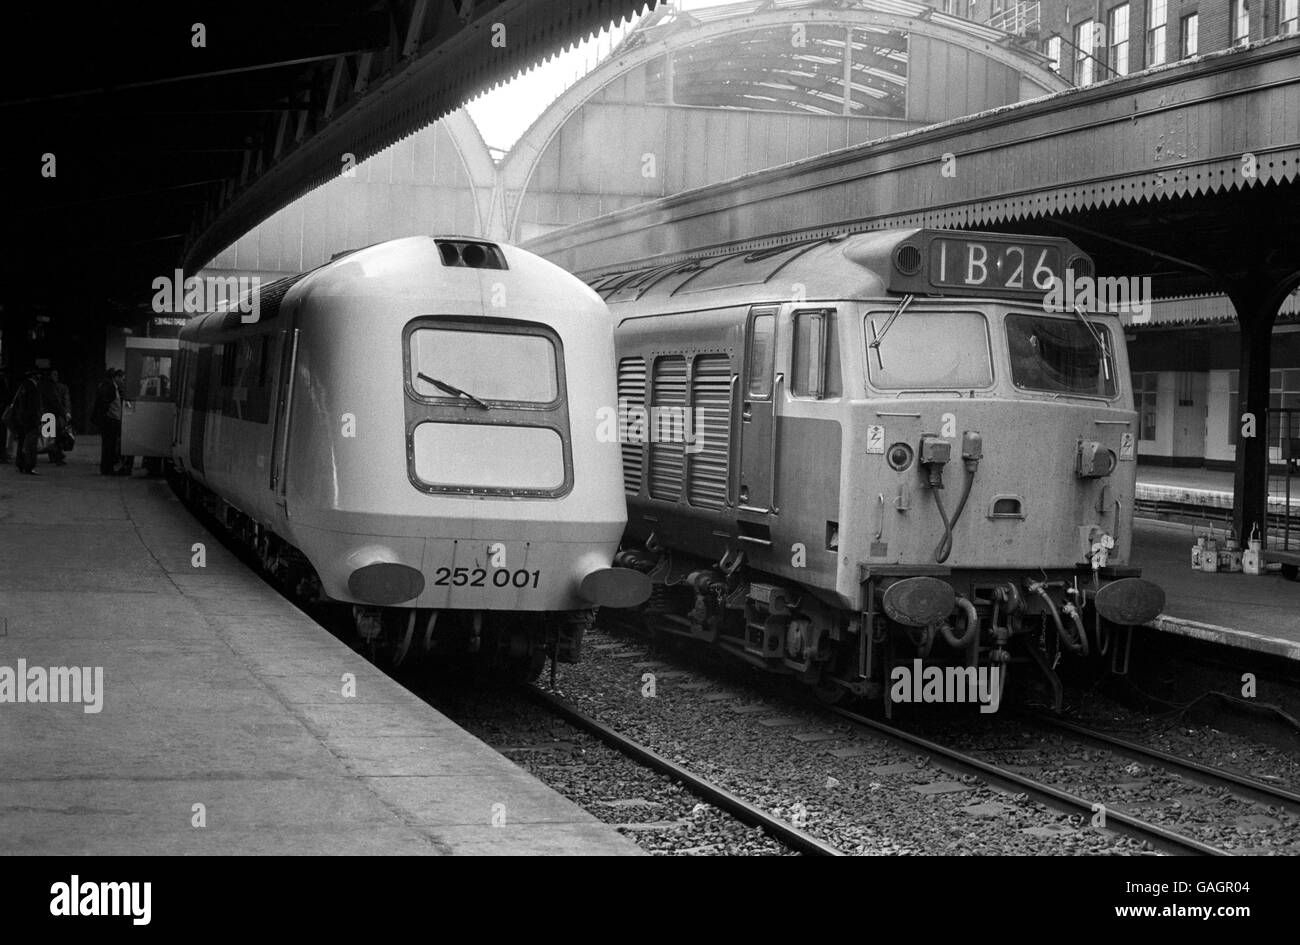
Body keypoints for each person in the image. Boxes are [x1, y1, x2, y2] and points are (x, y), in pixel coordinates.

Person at [9, 369, 44, 475]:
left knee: (21, 442)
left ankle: (20, 463)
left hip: (21, 420)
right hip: (30, 420)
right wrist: (36, 419)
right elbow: (33, 406)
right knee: (31, 444)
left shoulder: (22, 386)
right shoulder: (32, 388)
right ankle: (30, 465)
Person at [92, 368, 121, 475]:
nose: (122, 380)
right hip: (110, 420)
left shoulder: (107, 385)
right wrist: (106, 415)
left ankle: (107, 467)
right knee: (109, 446)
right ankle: (107, 468)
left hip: (109, 419)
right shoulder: (110, 386)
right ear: (115, 377)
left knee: (108, 445)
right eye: (121, 378)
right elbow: (105, 402)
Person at [36, 371, 65, 465]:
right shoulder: (50, 387)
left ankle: (54, 455)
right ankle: (56, 456)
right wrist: (62, 413)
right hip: (50, 414)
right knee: (53, 436)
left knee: (49, 435)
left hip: (45, 413)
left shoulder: (40, 386)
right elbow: (54, 402)